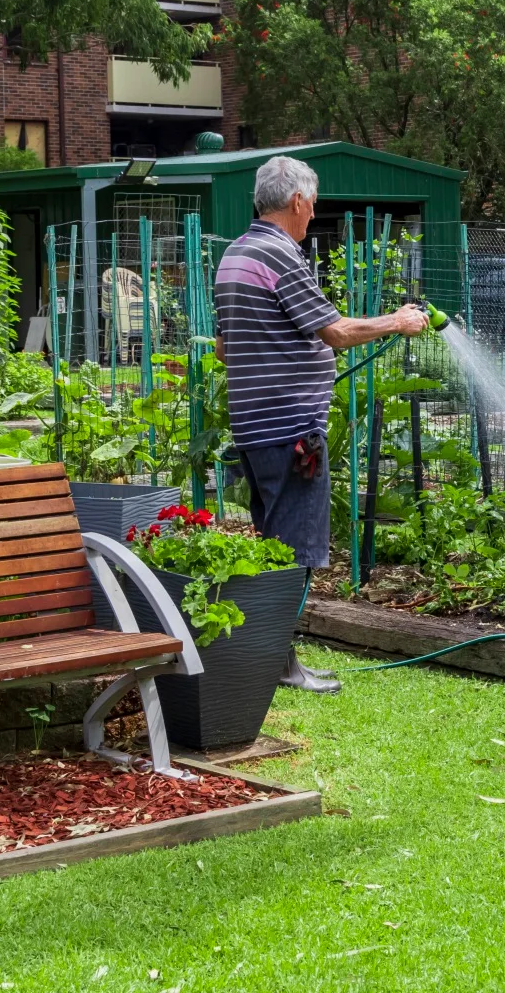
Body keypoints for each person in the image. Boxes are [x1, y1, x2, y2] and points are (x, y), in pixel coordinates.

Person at [213, 156, 429, 692]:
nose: (314, 213)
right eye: (313, 203)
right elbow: (335, 332)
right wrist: (398, 322)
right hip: (291, 430)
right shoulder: (280, 255)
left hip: (254, 426)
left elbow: (224, 346)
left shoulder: (235, 254)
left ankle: (266, 653)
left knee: (269, 541)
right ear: (297, 202)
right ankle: (279, 662)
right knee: (293, 548)